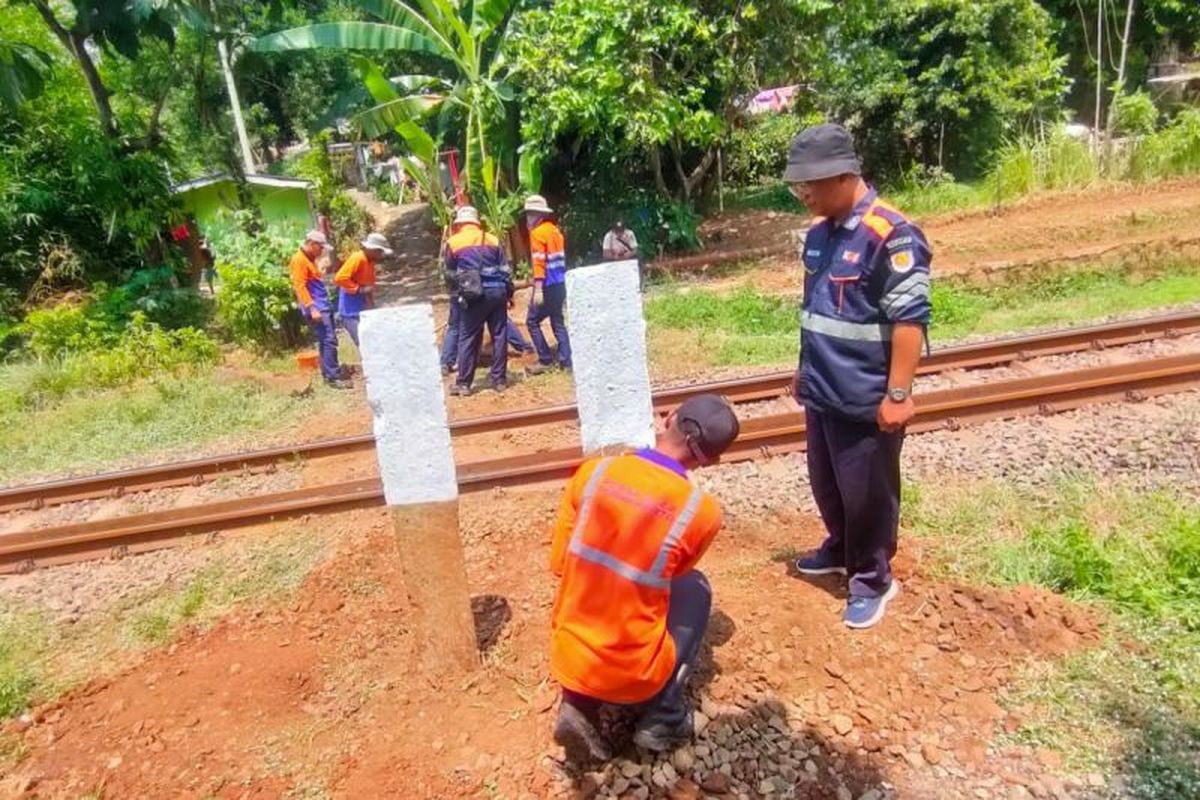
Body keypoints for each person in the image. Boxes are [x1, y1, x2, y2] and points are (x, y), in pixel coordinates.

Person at [783, 122, 932, 629]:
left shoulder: (891, 235)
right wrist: (805, 372)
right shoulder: (820, 235)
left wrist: (898, 394)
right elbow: (818, 312)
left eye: (812, 183)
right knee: (828, 484)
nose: (804, 192)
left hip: (866, 395)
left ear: (845, 176)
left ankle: (872, 578)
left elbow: (910, 320)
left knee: (867, 491)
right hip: (823, 389)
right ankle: (841, 547)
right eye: (799, 183)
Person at [548, 395, 740, 763]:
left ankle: (578, 703)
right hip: (635, 677)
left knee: (592, 580)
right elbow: (677, 577)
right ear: (711, 461)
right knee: (695, 588)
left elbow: (559, 563)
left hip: (569, 657)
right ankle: (663, 717)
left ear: (667, 419)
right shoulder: (701, 512)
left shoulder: (594, 472)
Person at [444, 205, 513, 395]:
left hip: (474, 296)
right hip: (498, 292)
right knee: (499, 335)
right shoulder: (493, 239)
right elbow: (505, 270)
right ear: (476, 222)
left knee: (468, 337)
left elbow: (449, 274)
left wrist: (457, 293)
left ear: (460, 224)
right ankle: (499, 380)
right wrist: (509, 293)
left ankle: (464, 384)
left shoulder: (453, 242)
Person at [290, 230, 350, 389]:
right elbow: (299, 286)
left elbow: (313, 282)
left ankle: (328, 374)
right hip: (316, 308)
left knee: (326, 340)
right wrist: (312, 308)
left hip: (322, 306)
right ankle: (333, 377)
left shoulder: (310, 259)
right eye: (320, 247)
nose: (322, 251)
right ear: (311, 244)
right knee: (329, 340)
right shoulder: (299, 260)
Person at [524, 194, 572, 375]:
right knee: (557, 320)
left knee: (532, 321)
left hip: (547, 285)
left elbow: (539, 262)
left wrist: (537, 289)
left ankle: (545, 359)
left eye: (529, 214)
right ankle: (566, 360)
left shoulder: (537, 234)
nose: (527, 218)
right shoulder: (555, 231)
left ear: (536, 215)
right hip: (560, 283)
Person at [334, 232, 393, 347]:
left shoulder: (370, 263)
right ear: (372, 249)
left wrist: (371, 306)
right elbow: (340, 278)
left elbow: (369, 287)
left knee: (371, 342)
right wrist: (358, 289)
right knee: (363, 344)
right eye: (379, 251)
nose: (380, 255)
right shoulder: (358, 258)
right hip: (350, 310)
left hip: (363, 309)